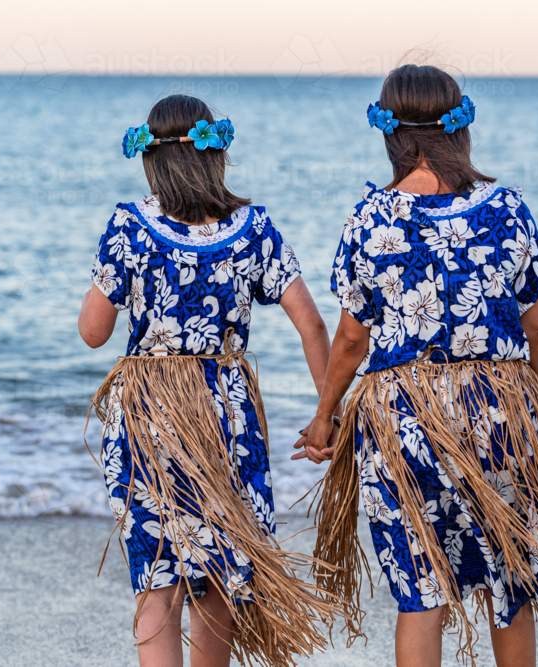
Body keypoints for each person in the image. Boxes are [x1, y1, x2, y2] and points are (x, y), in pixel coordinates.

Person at [294, 65, 538, 666]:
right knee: (509, 580)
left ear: (390, 133)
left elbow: (348, 340)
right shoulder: (508, 209)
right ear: (460, 127)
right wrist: (535, 411)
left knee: (421, 591)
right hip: (499, 412)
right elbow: (537, 329)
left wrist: (325, 416)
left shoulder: (370, 218)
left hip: (404, 421)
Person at [80, 94, 339, 667]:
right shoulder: (253, 229)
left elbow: (93, 332)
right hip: (227, 415)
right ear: (215, 154)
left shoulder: (131, 225)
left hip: (149, 414)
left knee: (156, 576)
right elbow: (313, 324)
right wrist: (328, 413)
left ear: (150, 160)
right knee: (219, 569)